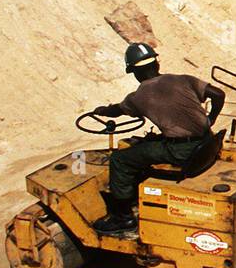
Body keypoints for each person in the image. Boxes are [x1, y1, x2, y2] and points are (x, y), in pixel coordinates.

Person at [91, 43, 225, 235]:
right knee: (151, 143)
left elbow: (117, 110)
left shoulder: (138, 97)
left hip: (181, 152)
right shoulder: (184, 80)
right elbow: (219, 95)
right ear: (157, 64)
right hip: (206, 143)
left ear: (134, 72)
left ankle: (123, 217)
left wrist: (103, 111)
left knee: (120, 160)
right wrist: (210, 119)